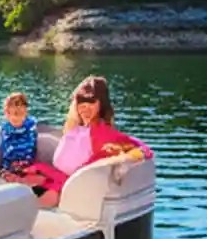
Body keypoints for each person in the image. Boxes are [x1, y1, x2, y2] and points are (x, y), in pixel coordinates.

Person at [44, 75, 153, 207]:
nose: (85, 108)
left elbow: (143, 149)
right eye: (81, 102)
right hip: (54, 180)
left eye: (91, 102)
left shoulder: (101, 132)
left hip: (70, 190)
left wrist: (124, 158)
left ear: (101, 104)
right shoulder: (76, 129)